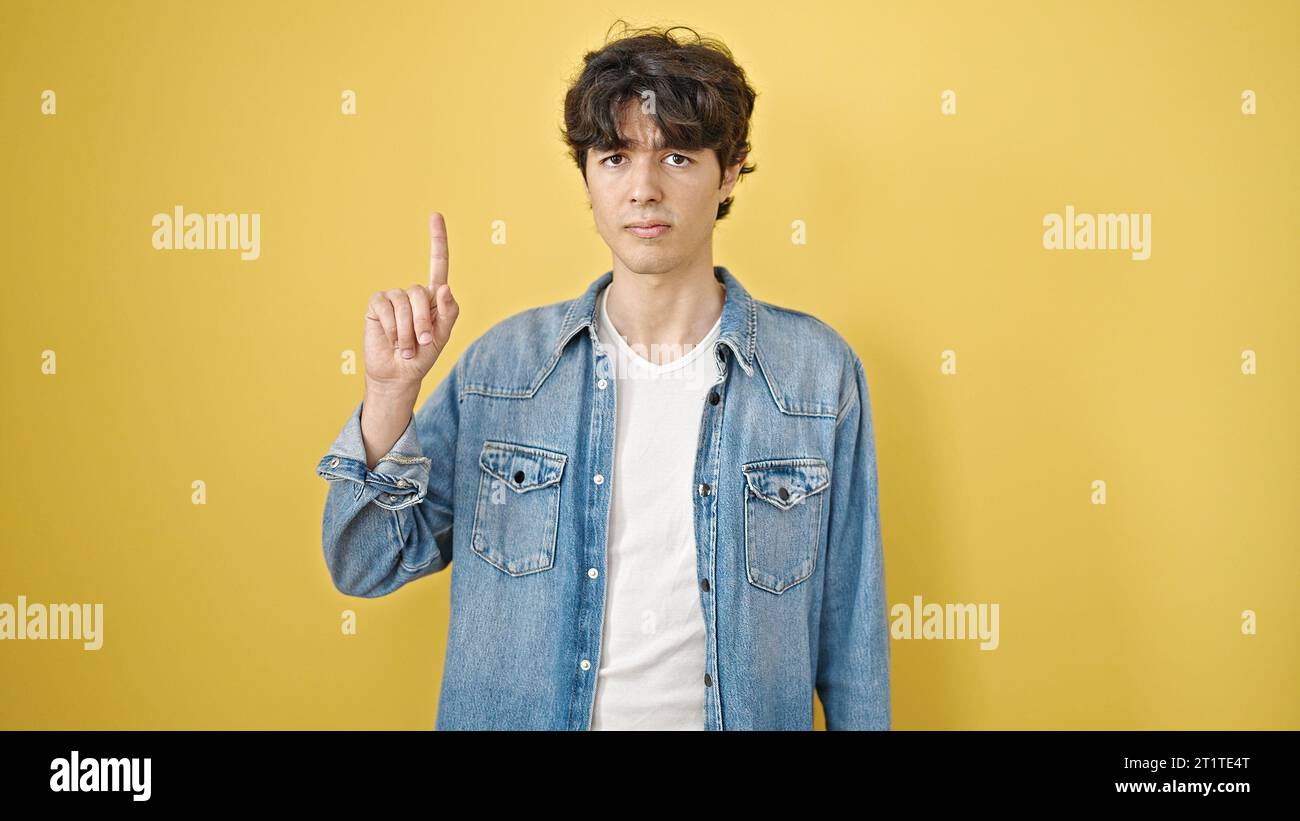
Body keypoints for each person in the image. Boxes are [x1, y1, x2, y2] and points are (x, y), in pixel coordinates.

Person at [315, 22, 889, 730]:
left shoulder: (816, 374)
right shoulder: (503, 369)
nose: (643, 189)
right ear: (587, 175)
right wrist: (390, 395)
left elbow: (852, 633)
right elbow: (364, 562)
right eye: (615, 157)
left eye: (677, 157)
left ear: (730, 171)